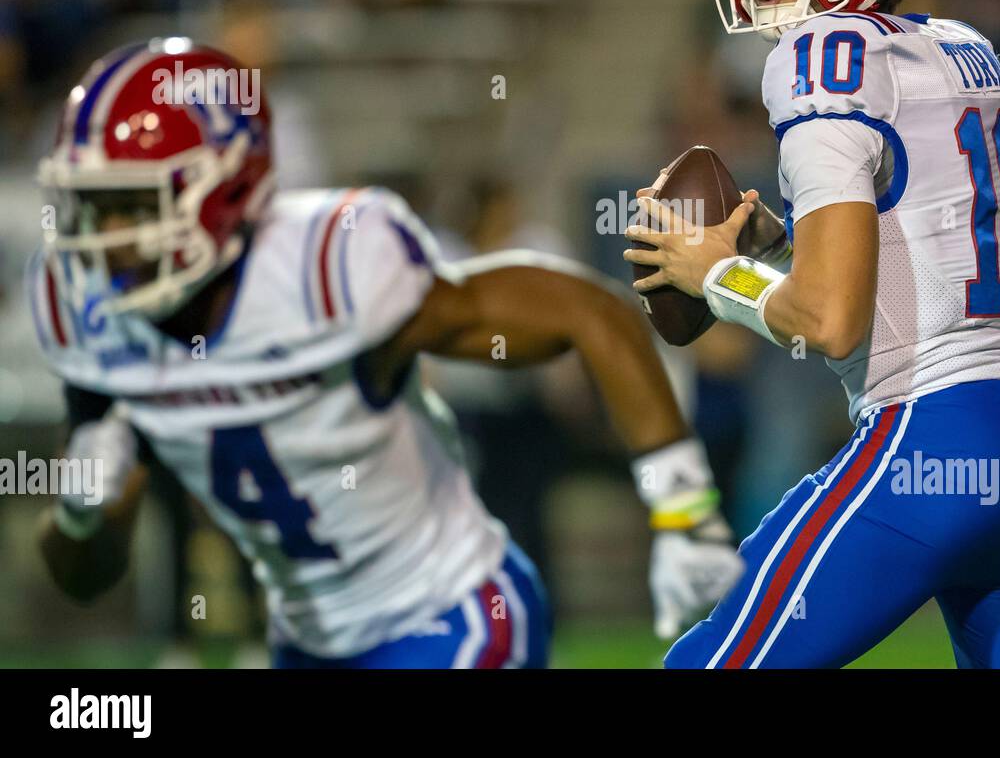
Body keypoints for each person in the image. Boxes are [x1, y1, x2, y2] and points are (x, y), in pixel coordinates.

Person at [30, 38, 742, 668]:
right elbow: (84, 577)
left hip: (450, 611)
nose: (106, 239)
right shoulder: (92, 317)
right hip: (307, 643)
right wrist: (83, 516)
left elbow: (588, 312)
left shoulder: (327, 271)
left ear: (219, 190)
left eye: (130, 207)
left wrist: (683, 510)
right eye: (93, 208)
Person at [625, 0, 1000, 668]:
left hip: (930, 435)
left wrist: (714, 273)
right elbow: (919, 236)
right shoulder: (955, 46)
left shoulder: (820, 56)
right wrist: (777, 239)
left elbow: (830, 321)